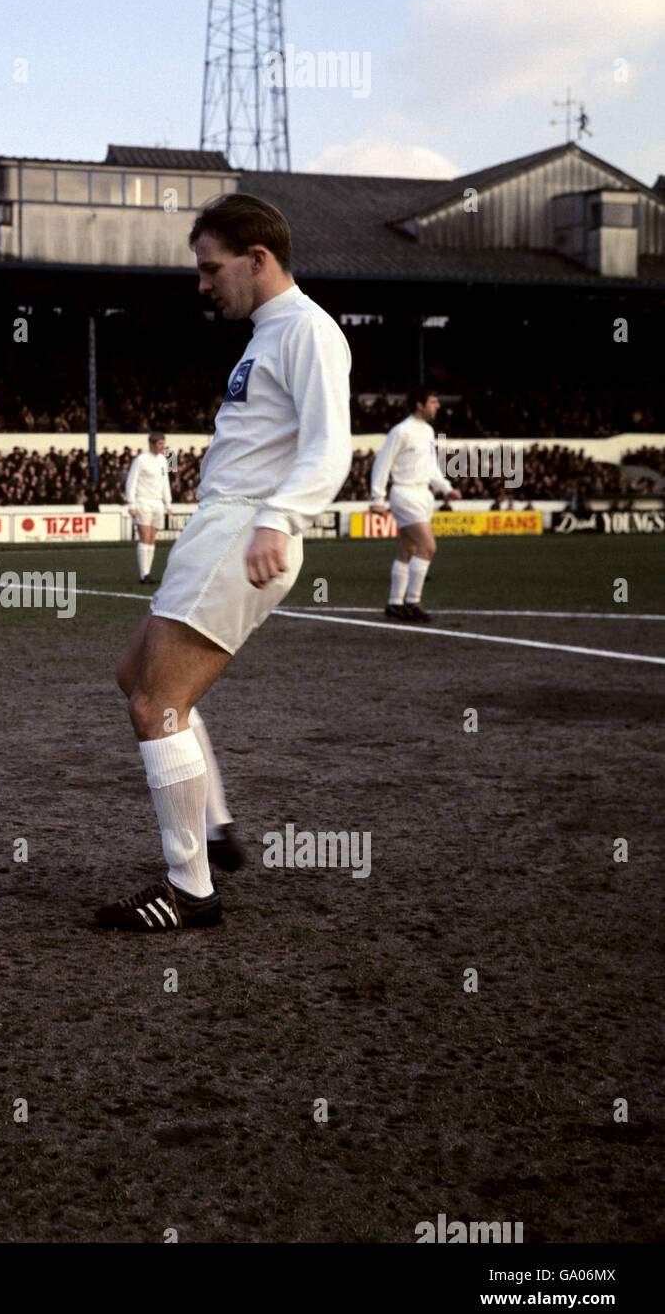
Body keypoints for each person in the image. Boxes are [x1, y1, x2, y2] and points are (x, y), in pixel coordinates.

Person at [98, 193, 353, 932]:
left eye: (211, 269)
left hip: (244, 529)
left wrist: (279, 518)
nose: (203, 284)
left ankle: (191, 890)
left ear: (258, 259)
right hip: (218, 529)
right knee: (135, 680)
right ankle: (210, 828)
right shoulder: (268, 333)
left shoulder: (307, 330)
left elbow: (330, 444)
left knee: (157, 706)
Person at [368, 387, 461, 623]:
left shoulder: (428, 431)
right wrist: (377, 499)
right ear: (420, 404)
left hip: (423, 494)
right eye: (433, 401)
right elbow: (382, 463)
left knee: (408, 550)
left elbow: (431, 467)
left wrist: (446, 489)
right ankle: (413, 601)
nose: (437, 406)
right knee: (428, 547)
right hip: (405, 493)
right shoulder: (401, 431)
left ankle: (395, 603)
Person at [124, 430, 173, 583]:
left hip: (157, 503)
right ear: (151, 444)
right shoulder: (140, 460)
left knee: (152, 538)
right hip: (142, 501)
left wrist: (168, 503)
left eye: (163, 444)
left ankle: (148, 574)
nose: (162, 447)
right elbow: (131, 482)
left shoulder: (164, 460)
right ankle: (143, 574)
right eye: (160, 444)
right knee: (144, 537)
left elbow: (165, 483)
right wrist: (131, 503)